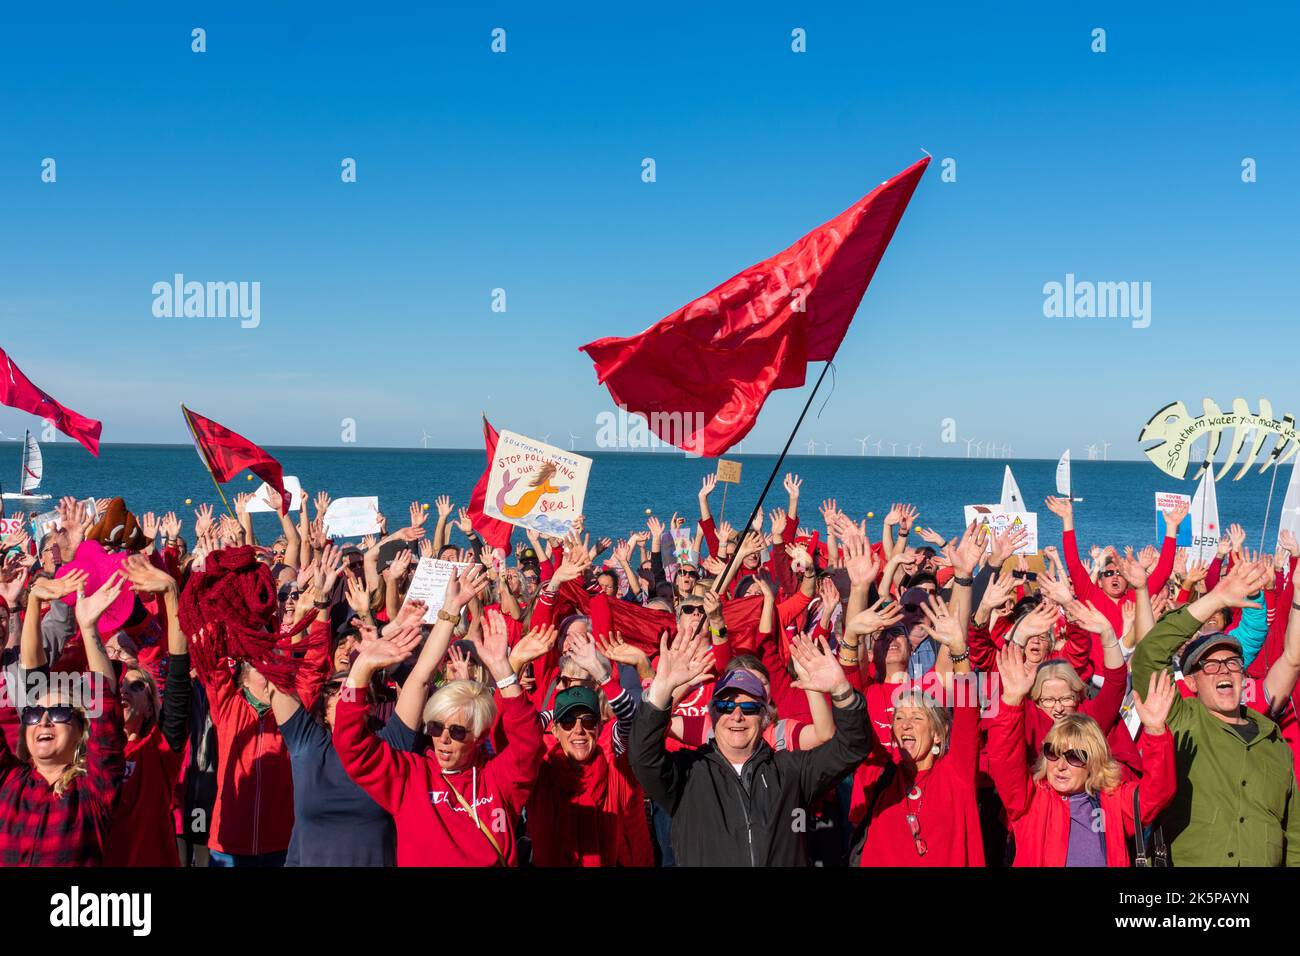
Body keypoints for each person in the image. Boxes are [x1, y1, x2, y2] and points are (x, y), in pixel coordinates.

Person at [334, 572, 546, 866]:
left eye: (457, 731)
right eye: (434, 727)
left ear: (479, 736)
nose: (443, 739)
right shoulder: (411, 777)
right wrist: (361, 671)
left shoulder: (497, 780)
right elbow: (352, 747)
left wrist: (503, 671)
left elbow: (529, 744)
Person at [628, 623, 870, 866]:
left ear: (764, 716)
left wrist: (841, 690)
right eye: (725, 706)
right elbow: (643, 755)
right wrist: (661, 690)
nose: (736, 715)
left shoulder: (789, 771)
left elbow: (852, 746)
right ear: (713, 714)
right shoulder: (688, 774)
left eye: (749, 707)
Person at [1131, 559, 1300, 865]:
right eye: (1210, 665)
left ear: (1243, 676)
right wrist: (1217, 599)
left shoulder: (1274, 743)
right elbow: (1149, 655)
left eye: (1233, 663)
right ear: (1192, 682)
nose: (1224, 669)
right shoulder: (1181, 719)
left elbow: (1295, 833)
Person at [989, 642, 1176, 866]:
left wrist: (1156, 731)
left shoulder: (1114, 801)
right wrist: (1011, 700)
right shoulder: (1029, 800)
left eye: (1074, 756)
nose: (1060, 765)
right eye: (1052, 753)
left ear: (1093, 762)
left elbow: (1158, 792)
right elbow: (1003, 757)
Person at [0, 573, 125, 865]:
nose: (42, 722)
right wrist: (30, 599)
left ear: (82, 730)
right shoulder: (7, 781)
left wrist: (89, 628)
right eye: (32, 714)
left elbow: (106, 709)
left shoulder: (93, 792)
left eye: (57, 713)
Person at [102, 555, 193, 866]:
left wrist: (170, 592)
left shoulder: (160, 749)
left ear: (152, 707)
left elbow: (178, 671)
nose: (125, 688)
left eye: (138, 685)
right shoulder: (86, 748)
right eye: (119, 684)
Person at [526, 685, 653, 866]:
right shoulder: (538, 776)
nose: (579, 730)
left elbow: (636, 729)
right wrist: (549, 713)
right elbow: (515, 737)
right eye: (568, 721)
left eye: (588, 721)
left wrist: (606, 679)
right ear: (554, 730)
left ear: (599, 727)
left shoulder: (615, 775)